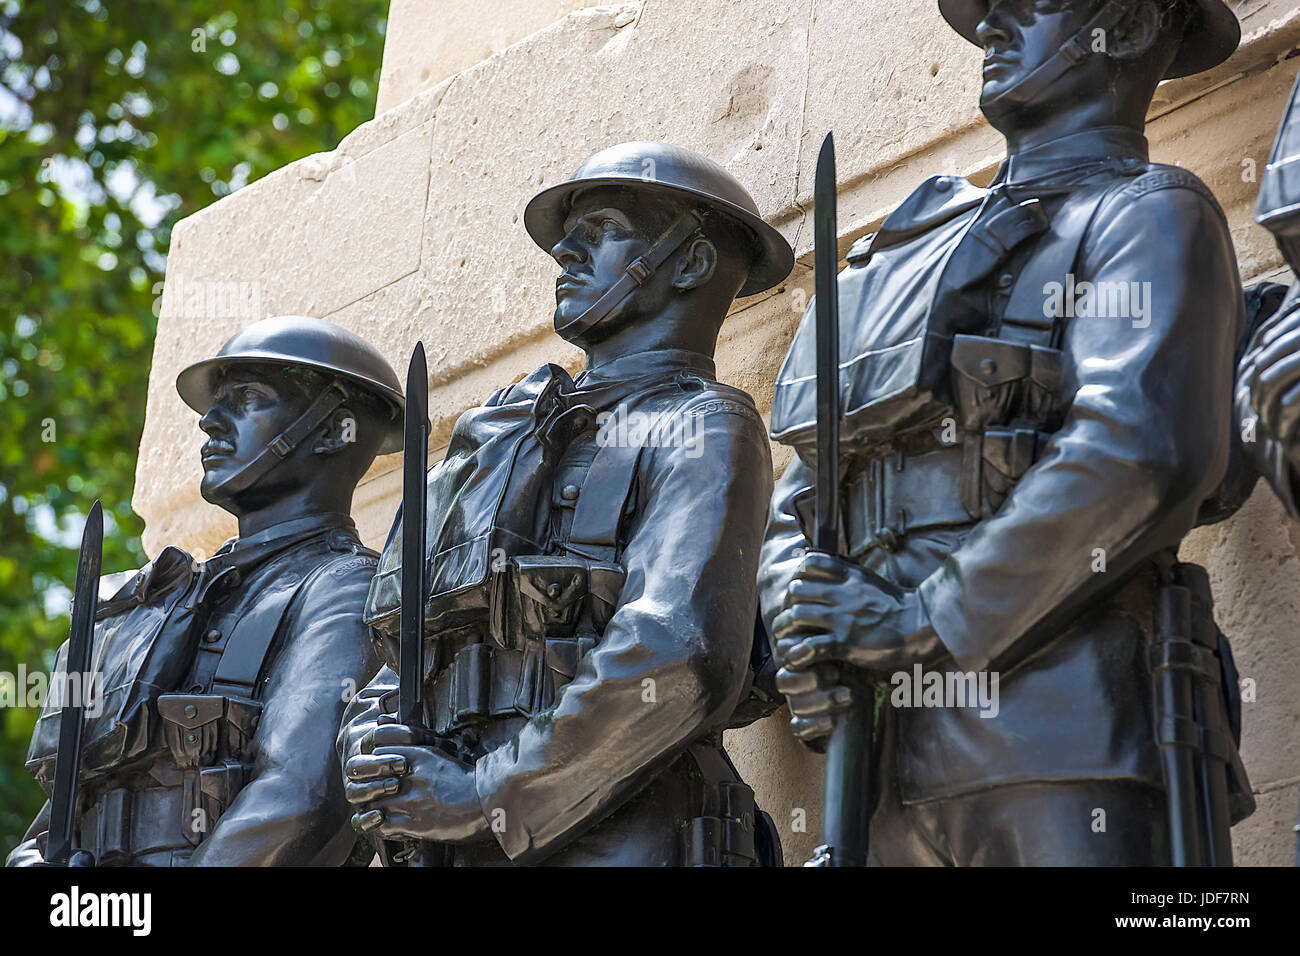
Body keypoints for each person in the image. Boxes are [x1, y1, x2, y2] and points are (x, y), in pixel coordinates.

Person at [759, 0, 1252, 865]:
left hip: (1061, 740)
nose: (990, 27)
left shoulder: (1146, 213)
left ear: (1131, 27)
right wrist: (802, 621)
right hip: (875, 768)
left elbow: (1136, 451)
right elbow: (802, 492)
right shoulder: (895, 261)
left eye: (1028, 6)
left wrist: (920, 620)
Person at [339, 141, 794, 866]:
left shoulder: (704, 423)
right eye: (567, 240)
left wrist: (484, 795)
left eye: (603, 231)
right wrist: (369, 744)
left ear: (692, 262)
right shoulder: (494, 436)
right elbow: (397, 656)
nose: (566, 255)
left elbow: (678, 650)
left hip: (619, 837)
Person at [7, 316, 401, 866]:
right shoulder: (157, 605)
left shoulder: (342, 587)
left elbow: (299, 799)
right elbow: (60, 817)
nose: (210, 422)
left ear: (334, 430)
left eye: (247, 398)